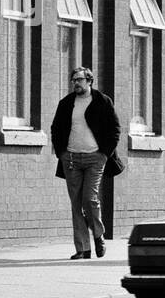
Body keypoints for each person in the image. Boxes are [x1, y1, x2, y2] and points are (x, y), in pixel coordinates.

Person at [49, 67, 122, 260]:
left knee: (89, 199)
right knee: (76, 204)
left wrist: (104, 154)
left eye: (79, 80)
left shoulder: (102, 101)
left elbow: (115, 129)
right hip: (71, 158)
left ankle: (98, 234)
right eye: (73, 80)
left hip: (95, 158)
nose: (76, 83)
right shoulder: (66, 103)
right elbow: (56, 128)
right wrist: (61, 153)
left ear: (89, 81)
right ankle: (83, 248)